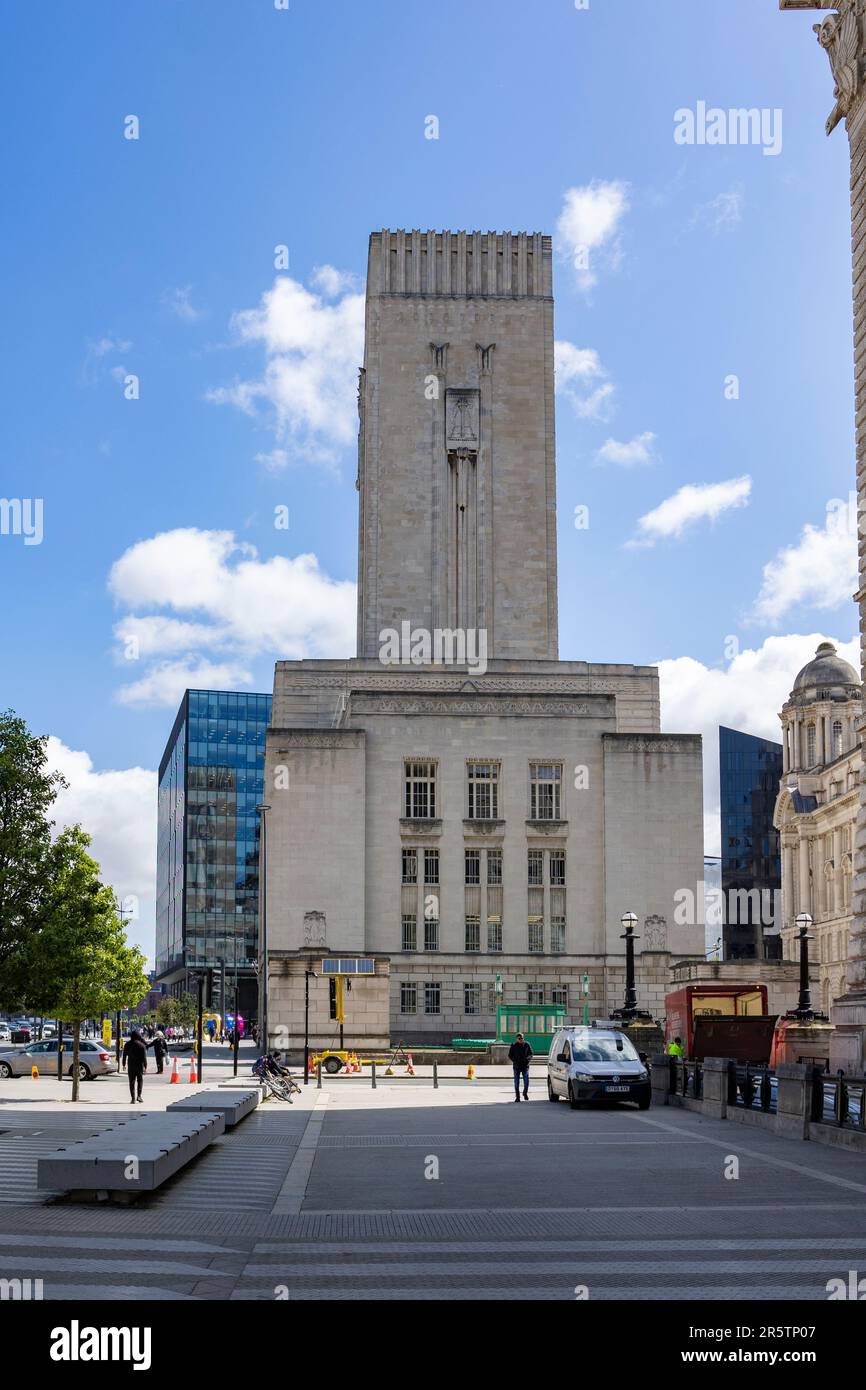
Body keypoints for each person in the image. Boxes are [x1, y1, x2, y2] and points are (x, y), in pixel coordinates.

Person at [122, 1028, 148, 1103]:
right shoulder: (142, 1046)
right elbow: (144, 1058)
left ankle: (133, 1098)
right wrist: (145, 1066)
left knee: (131, 1082)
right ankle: (139, 1096)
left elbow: (124, 1055)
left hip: (131, 1065)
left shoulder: (127, 1044)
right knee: (140, 1080)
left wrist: (123, 1064)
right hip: (139, 1065)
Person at [508, 1032, 533, 1102]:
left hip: (525, 1066)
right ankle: (517, 1097)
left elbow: (531, 1054)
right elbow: (510, 1055)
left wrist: (527, 1060)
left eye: (522, 1038)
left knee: (526, 1081)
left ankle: (525, 1093)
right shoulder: (513, 1045)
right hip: (516, 1067)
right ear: (516, 1039)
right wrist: (515, 1061)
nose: (521, 1039)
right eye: (519, 1038)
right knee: (516, 1082)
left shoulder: (527, 1044)